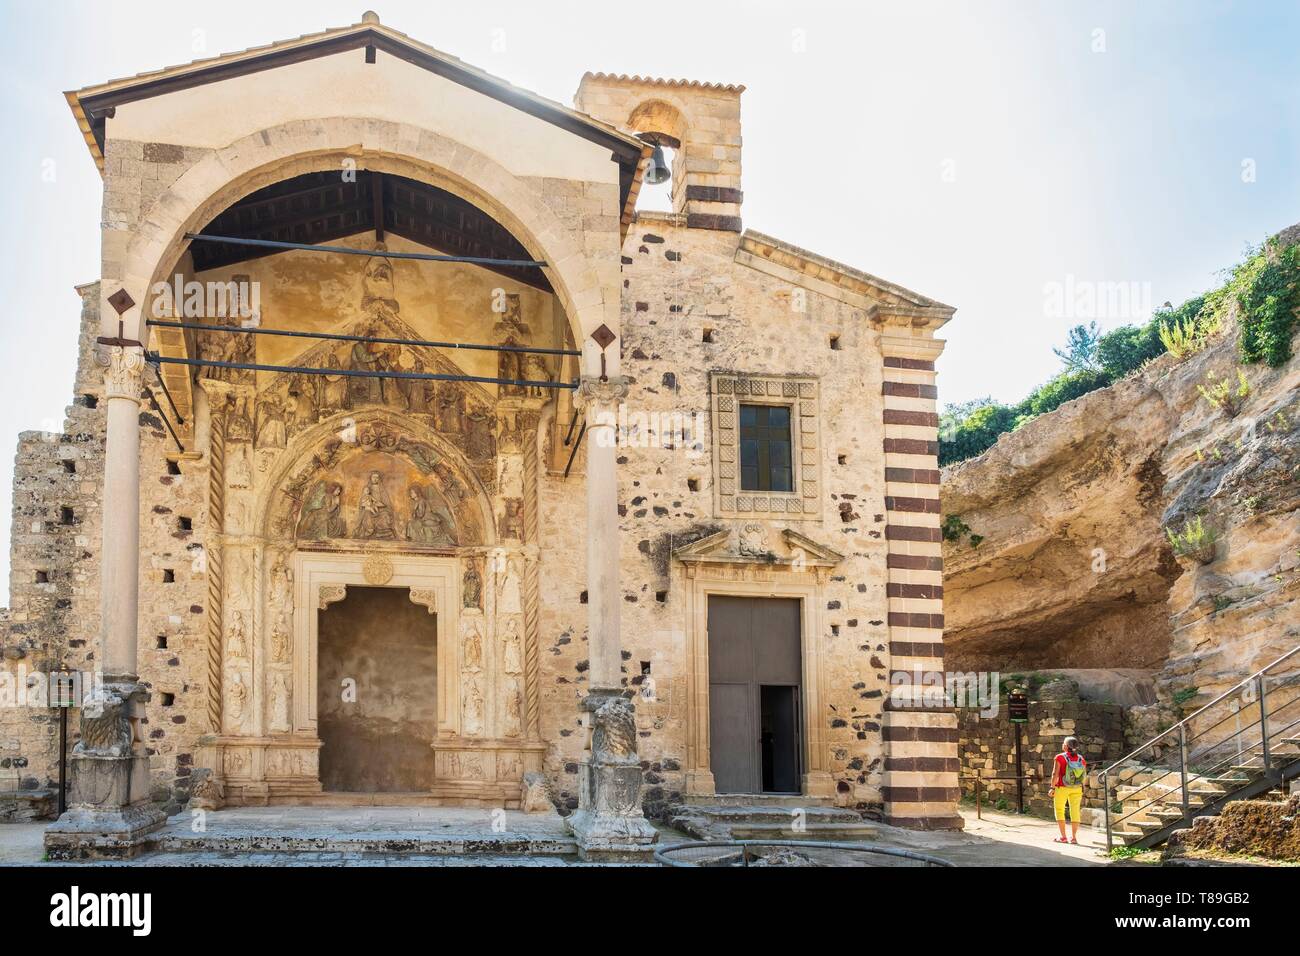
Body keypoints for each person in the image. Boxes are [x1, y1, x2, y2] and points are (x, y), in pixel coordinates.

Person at [1049, 736, 1087, 844]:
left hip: (1062, 787)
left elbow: (1055, 774)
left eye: (1063, 744)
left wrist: (1052, 787)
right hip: (1077, 788)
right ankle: (1074, 838)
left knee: (1059, 810)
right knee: (1075, 811)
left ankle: (1063, 837)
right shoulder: (1081, 759)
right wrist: (1082, 786)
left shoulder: (1060, 757)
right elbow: (1083, 775)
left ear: (1065, 746)